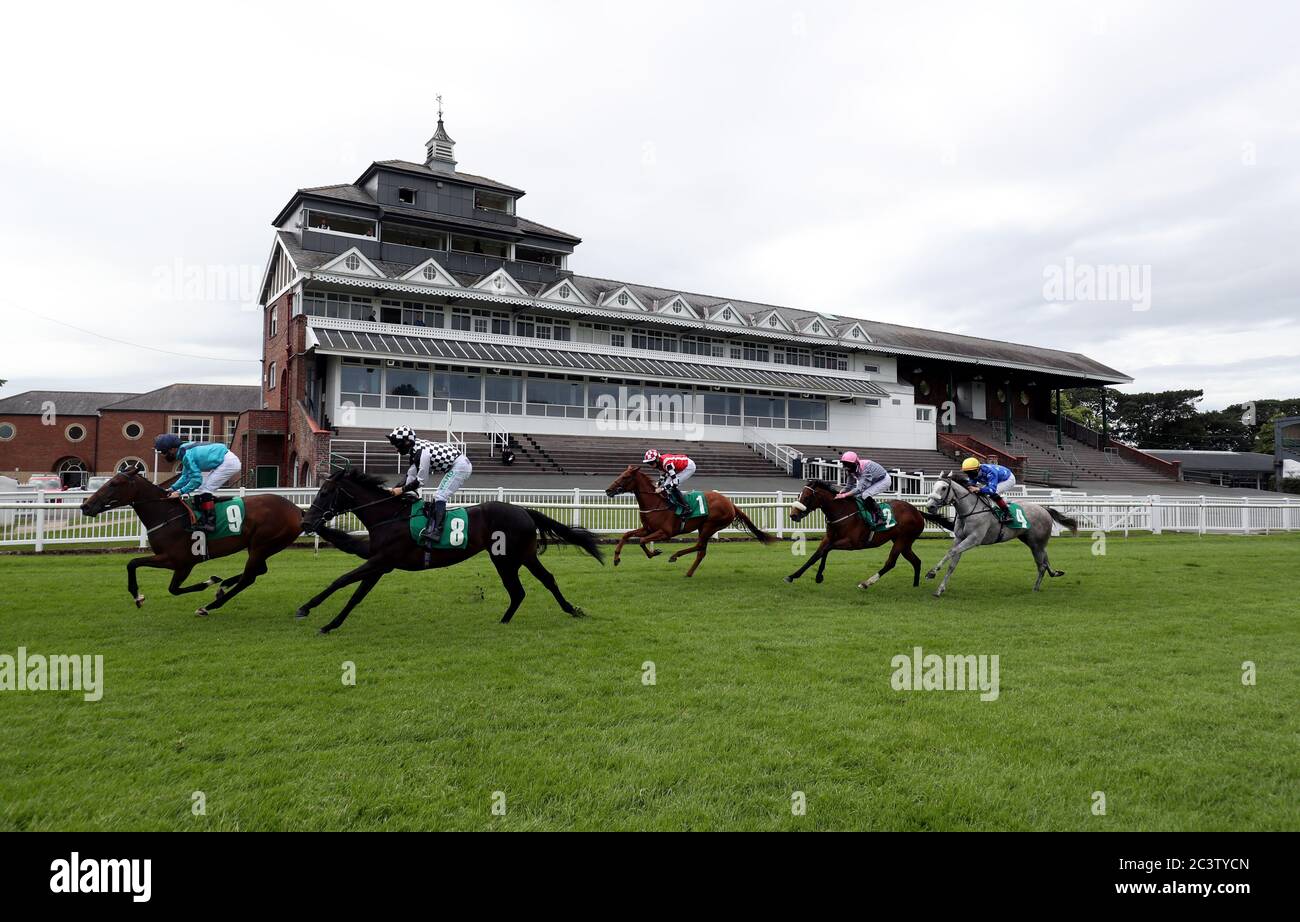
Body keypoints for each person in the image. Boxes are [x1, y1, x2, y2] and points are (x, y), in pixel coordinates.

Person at [387, 426, 472, 545]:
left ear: (407, 442)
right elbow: (410, 476)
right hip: (456, 464)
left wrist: (401, 490)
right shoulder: (415, 451)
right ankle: (432, 528)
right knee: (437, 496)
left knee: (440, 496)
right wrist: (392, 491)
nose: (396, 449)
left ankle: (437, 532)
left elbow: (421, 481)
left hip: (460, 465)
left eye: (398, 445)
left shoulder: (422, 452)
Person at [154, 433, 242, 533]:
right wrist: (172, 489)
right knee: (202, 491)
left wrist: (179, 492)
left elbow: (196, 480)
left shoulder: (186, 455)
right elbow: (186, 476)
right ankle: (205, 516)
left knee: (205, 490)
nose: (163, 455)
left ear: (173, 449)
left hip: (228, 463)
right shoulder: (184, 452)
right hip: (224, 460)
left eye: (164, 452)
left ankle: (210, 524)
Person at [835, 450, 891, 524]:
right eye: (845, 464)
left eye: (848, 465)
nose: (847, 467)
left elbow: (859, 489)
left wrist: (844, 495)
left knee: (865, 494)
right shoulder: (850, 469)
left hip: (883, 480)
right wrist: (841, 491)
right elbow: (849, 486)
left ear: (855, 463)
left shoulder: (865, 468)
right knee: (858, 496)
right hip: (873, 480)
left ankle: (880, 517)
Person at [643, 448, 695, 514]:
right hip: (679, 467)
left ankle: (687, 508)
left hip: (688, 467)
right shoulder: (659, 464)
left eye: (651, 463)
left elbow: (675, 482)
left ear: (657, 459)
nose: (651, 465)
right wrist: (657, 484)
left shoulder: (666, 464)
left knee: (671, 487)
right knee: (666, 485)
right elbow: (663, 475)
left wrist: (661, 489)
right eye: (649, 463)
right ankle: (672, 505)